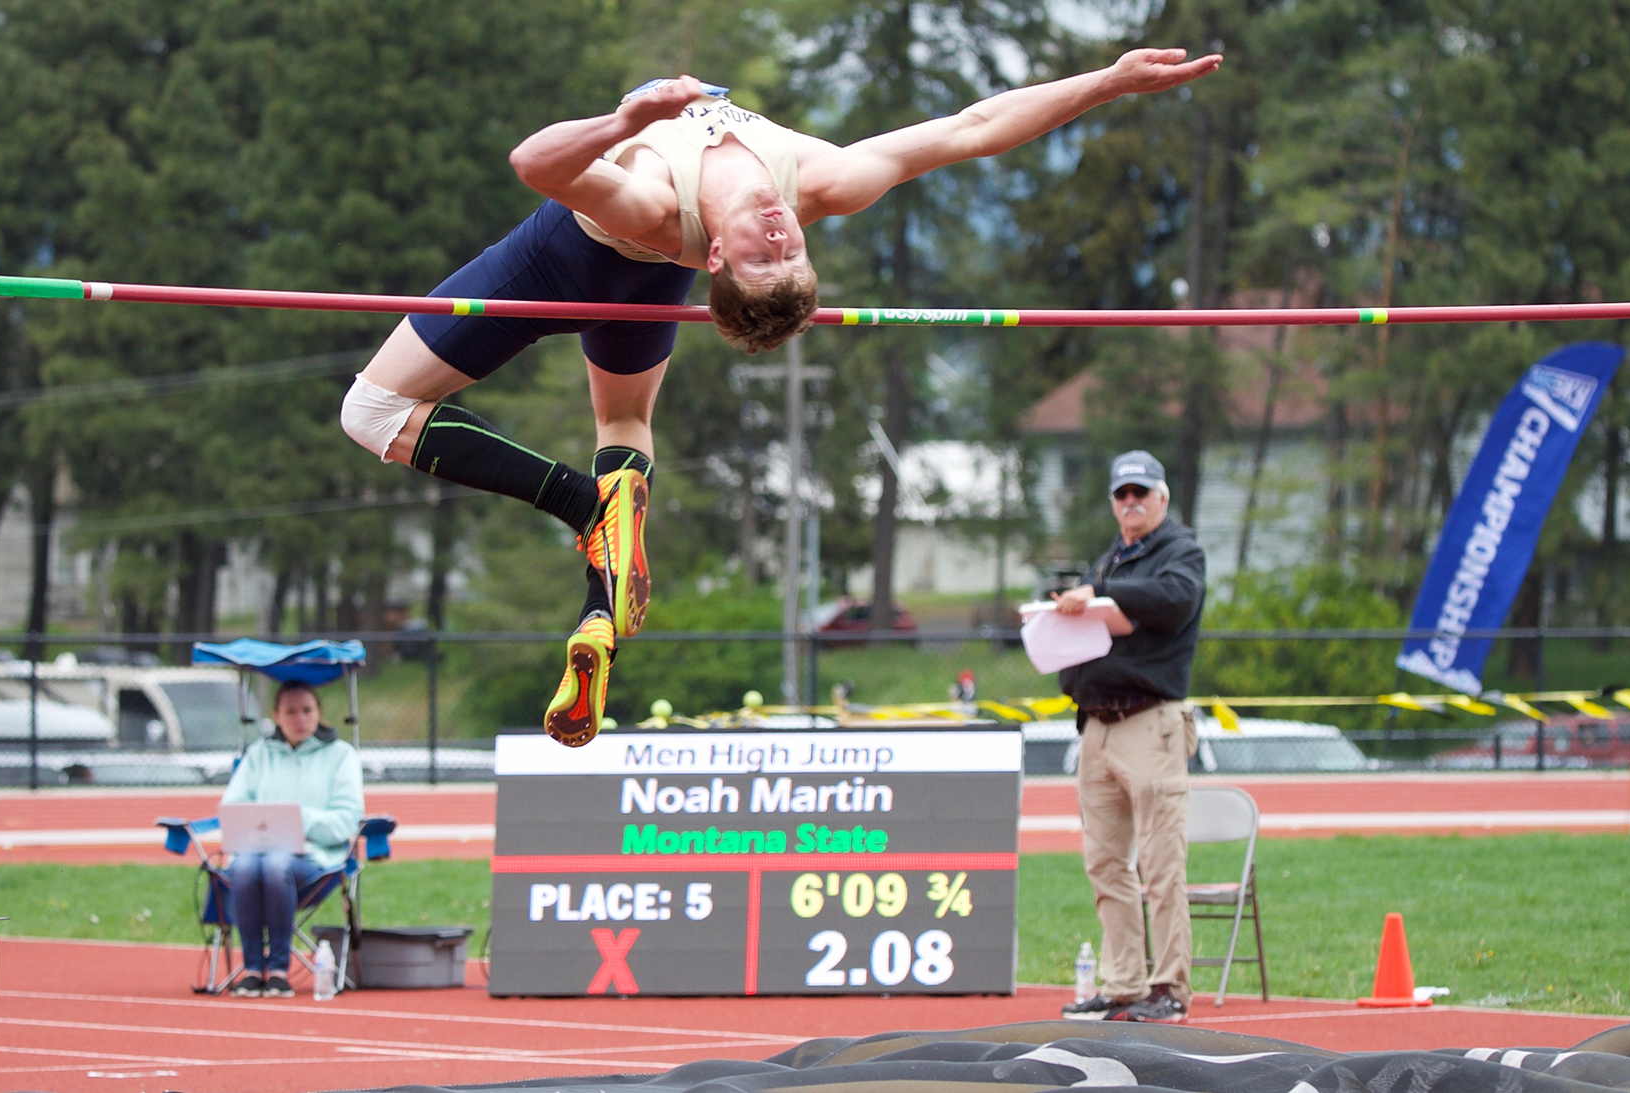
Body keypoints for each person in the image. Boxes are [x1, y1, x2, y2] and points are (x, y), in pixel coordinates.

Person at [338, 51, 1222, 748]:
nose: (780, 232)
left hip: (572, 257)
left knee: (371, 411)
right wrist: (1108, 82)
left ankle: (584, 519)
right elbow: (972, 129)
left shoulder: (654, 202)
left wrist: (629, 121)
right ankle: (596, 581)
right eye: (789, 250)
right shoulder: (820, 183)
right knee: (622, 424)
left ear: (718, 261)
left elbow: (533, 162)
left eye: (770, 254)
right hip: (625, 273)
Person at [1053, 451, 1206, 1024]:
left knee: (1161, 865)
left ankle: (1169, 987)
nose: (1131, 501)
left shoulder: (1180, 552)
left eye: (1141, 492)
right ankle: (1121, 983)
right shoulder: (1111, 558)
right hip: (1097, 727)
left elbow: (1176, 599)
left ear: (1162, 497)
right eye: (1122, 494)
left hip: (1148, 723)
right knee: (1106, 864)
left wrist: (1101, 593)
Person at [218, 680, 364, 997]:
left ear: (319, 713)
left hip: (316, 858)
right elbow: (234, 808)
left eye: (307, 710)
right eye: (291, 712)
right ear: (276, 716)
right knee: (243, 867)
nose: (300, 719)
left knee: (276, 865)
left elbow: (346, 819)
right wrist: (267, 824)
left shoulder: (341, 756)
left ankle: (279, 970)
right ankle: (252, 968)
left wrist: (298, 820)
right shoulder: (258, 755)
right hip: (256, 853)